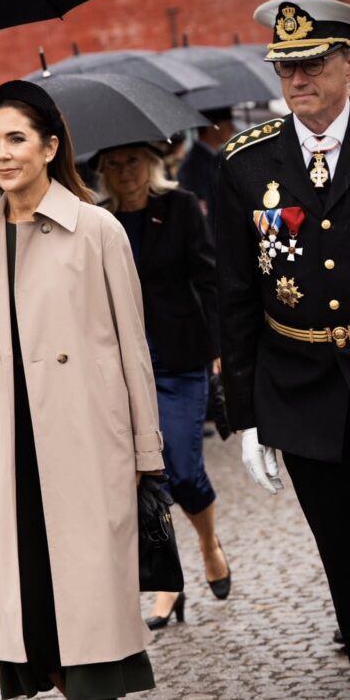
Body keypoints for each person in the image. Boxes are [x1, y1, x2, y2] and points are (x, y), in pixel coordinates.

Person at [0, 79, 163, 700]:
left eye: (17, 138)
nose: (2, 154)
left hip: (82, 444)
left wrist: (143, 451)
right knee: (41, 616)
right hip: (3, 452)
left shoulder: (97, 230)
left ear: (50, 144)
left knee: (92, 615)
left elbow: (131, 346)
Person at [216, 0, 350, 700]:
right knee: (349, 574)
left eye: (311, 62)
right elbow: (235, 298)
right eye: (284, 66)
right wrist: (243, 416)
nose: (296, 77)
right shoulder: (245, 163)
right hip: (304, 394)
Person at [94, 142, 229, 628]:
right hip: (123, 369)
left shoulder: (180, 207)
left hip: (179, 357)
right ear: (103, 170)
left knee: (183, 467)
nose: (124, 170)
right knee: (149, 478)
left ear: (149, 164)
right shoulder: (98, 219)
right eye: (114, 162)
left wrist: (219, 347)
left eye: (132, 160)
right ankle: (170, 583)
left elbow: (210, 279)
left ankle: (209, 543)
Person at [178, 107, 236, 231]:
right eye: (227, 122)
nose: (233, 128)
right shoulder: (193, 166)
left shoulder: (215, 159)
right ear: (214, 126)